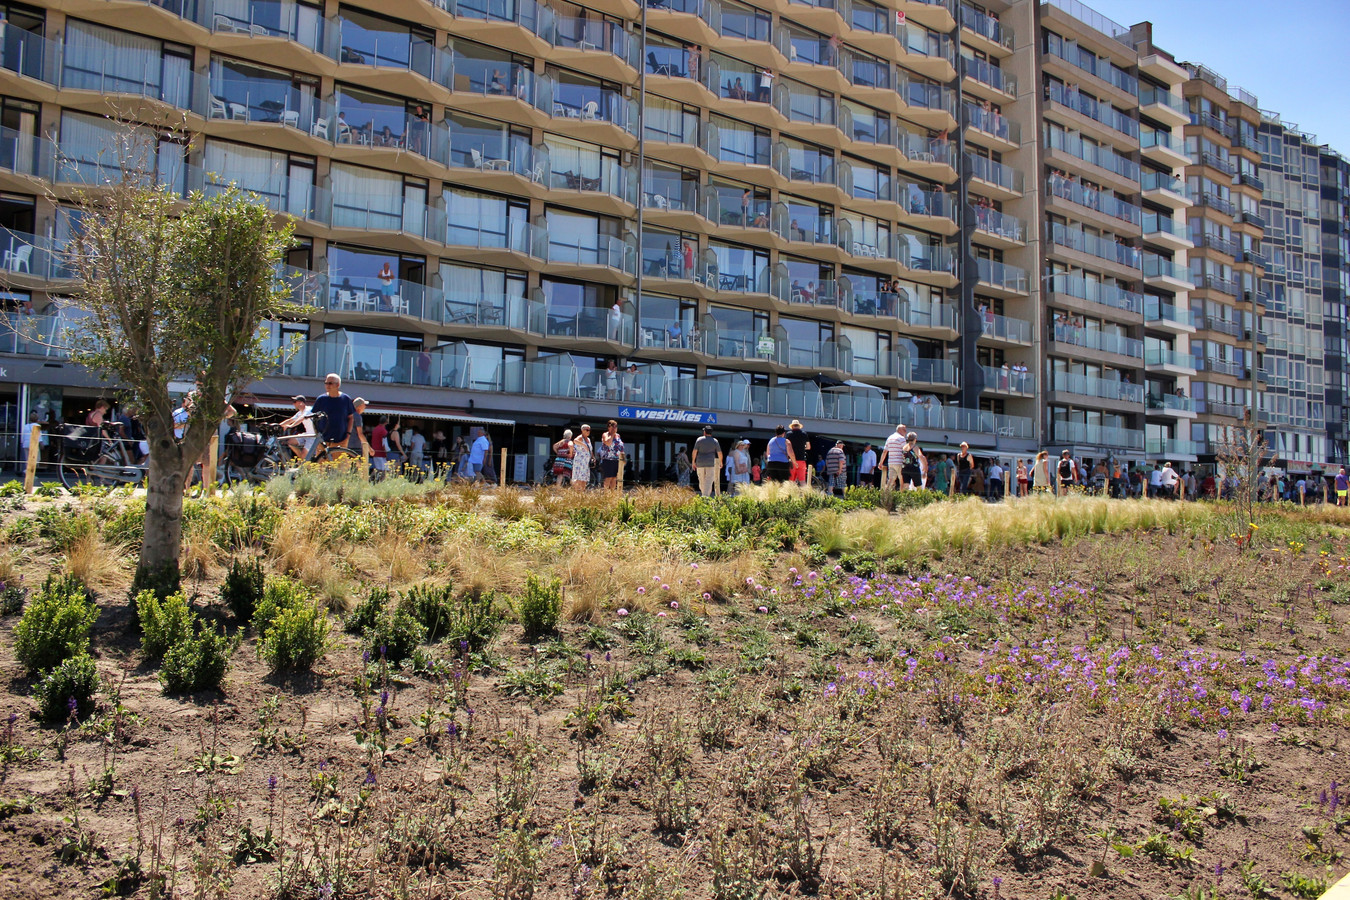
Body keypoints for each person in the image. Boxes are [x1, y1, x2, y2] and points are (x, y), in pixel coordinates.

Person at [309, 373, 357, 454]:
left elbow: (351, 417)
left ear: (338, 385)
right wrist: (318, 435)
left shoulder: (346, 399)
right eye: (326, 383)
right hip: (323, 441)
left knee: (340, 466)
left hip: (341, 440)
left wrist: (348, 435)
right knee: (321, 465)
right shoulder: (321, 399)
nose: (327, 385)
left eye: (330, 383)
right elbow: (314, 418)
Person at [279, 395, 317, 460]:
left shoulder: (308, 410)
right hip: (307, 434)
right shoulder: (300, 412)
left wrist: (291, 426)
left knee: (304, 455)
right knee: (290, 442)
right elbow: (290, 420)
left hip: (313, 436)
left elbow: (301, 419)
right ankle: (302, 460)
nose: (293, 404)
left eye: (295, 402)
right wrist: (279, 425)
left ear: (301, 403)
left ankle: (305, 463)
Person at [693, 425, 723, 497]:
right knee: (709, 481)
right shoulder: (715, 441)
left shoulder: (699, 440)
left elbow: (694, 451)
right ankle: (705, 496)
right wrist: (721, 462)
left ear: (704, 432)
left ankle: (705, 496)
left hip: (700, 463)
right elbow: (719, 453)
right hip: (710, 463)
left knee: (702, 481)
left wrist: (693, 461)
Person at [877, 424, 907, 491]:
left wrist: (880, 462)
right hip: (899, 462)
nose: (905, 432)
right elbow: (905, 451)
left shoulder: (890, 438)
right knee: (902, 480)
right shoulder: (902, 438)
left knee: (890, 480)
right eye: (904, 430)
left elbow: (885, 451)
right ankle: (902, 496)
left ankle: (886, 495)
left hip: (891, 462)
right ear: (899, 430)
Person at [598, 420, 624, 489]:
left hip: (616, 459)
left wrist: (623, 456)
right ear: (609, 427)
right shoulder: (605, 434)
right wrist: (612, 434)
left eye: (616, 426)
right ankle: (606, 493)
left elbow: (620, 446)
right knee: (608, 477)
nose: (615, 428)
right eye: (613, 426)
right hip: (607, 459)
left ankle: (612, 494)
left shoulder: (618, 435)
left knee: (614, 478)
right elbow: (608, 443)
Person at [786, 419, 811, 485]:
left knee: (791, 481)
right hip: (801, 460)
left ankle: (791, 494)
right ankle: (806, 494)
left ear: (792, 427)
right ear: (799, 426)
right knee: (802, 481)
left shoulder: (789, 434)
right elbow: (808, 447)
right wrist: (802, 448)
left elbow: (786, 446)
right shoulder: (804, 434)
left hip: (792, 460)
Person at [571, 424, 593, 491]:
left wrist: (592, 457)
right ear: (582, 430)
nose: (588, 431)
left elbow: (590, 449)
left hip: (586, 462)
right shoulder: (580, 437)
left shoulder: (588, 439)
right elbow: (575, 441)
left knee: (584, 479)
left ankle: (582, 493)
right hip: (580, 461)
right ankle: (577, 493)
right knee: (579, 478)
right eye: (587, 430)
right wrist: (583, 445)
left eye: (589, 430)